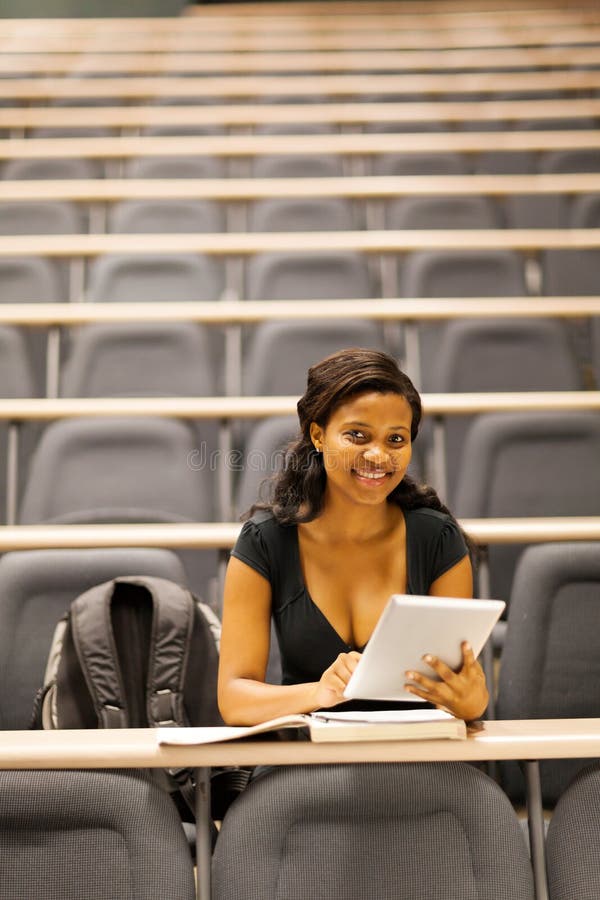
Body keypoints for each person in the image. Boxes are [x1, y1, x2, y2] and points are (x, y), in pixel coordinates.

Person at [218, 348, 489, 726]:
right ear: (318, 435)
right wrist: (318, 692)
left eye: (396, 440)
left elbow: (463, 694)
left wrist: (472, 701)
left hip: (415, 760)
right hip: (307, 764)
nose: (378, 455)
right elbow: (234, 699)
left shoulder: (438, 539)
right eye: (357, 435)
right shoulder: (265, 542)